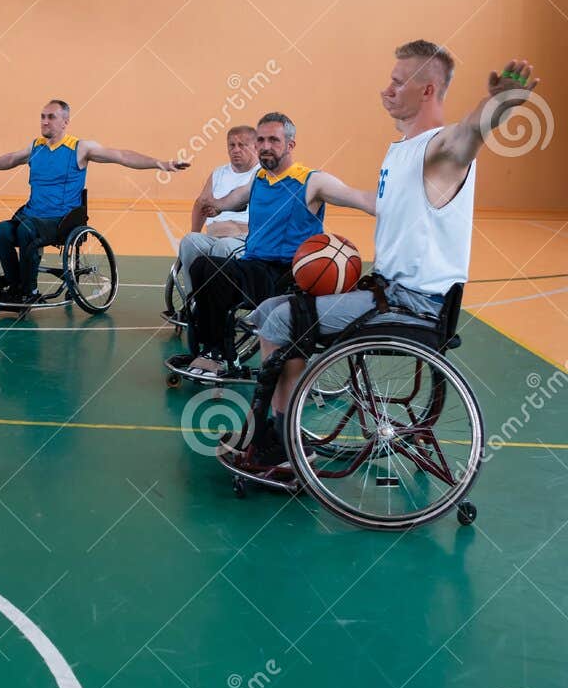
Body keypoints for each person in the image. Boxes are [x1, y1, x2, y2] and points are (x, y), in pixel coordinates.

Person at [232, 44, 538, 472]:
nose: (387, 89)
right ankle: (284, 432)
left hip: (414, 304)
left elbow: (468, 136)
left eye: (398, 81)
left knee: (281, 321)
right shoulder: (404, 150)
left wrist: (497, 105)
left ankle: (283, 440)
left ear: (427, 90)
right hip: (390, 291)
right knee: (270, 309)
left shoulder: (438, 148)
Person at [188, 113, 377, 376]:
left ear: (290, 145)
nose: (265, 146)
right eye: (261, 140)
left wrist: (397, 205)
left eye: (273, 140)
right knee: (200, 265)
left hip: (286, 274)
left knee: (218, 273)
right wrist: (214, 205)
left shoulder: (312, 181)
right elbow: (234, 199)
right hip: (255, 266)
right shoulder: (260, 179)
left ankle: (216, 354)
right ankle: (209, 347)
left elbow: (359, 198)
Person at [0, 99, 189, 301]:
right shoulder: (36, 147)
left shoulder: (80, 148)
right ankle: (15, 287)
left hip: (61, 220)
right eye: (42, 117)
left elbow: (121, 156)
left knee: (26, 230)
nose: (44, 122)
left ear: (65, 122)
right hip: (32, 216)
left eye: (51, 117)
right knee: (1, 231)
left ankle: (29, 290)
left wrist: (159, 163)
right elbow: (11, 159)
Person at [171, 125, 258, 308]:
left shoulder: (261, 174)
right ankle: (193, 301)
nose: (236, 150)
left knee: (222, 246)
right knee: (190, 241)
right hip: (215, 236)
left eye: (242, 145)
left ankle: (215, 308)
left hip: (244, 239)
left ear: (256, 146)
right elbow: (201, 203)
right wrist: (195, 232)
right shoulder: (219, 173)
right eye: (231, 145)